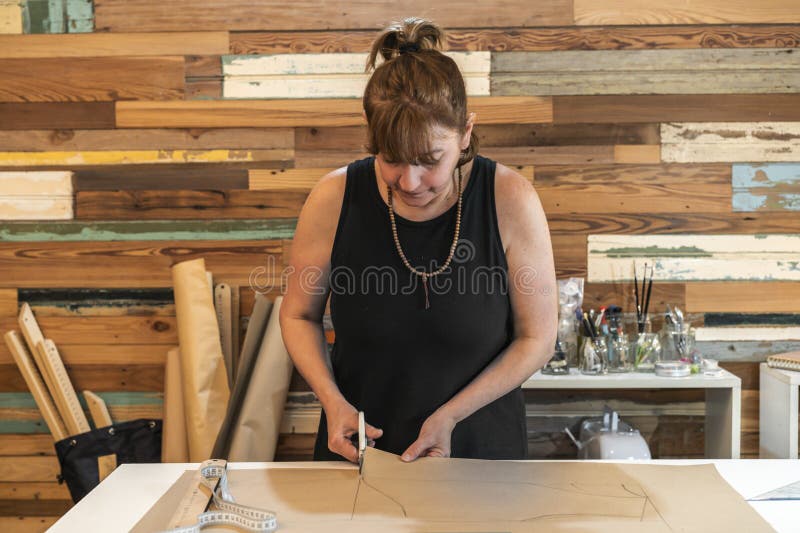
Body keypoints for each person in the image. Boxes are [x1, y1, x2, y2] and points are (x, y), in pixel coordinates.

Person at [279, 16, 557, 464]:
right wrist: (332, 402)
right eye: (391, 159)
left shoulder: (510, 199)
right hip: (360, 455)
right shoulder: (333, 199)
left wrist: (449, 416)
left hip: (479, 455)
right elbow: (298, 315)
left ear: (466, 132)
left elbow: (537, 339)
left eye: (430, 160)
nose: (409, 182)